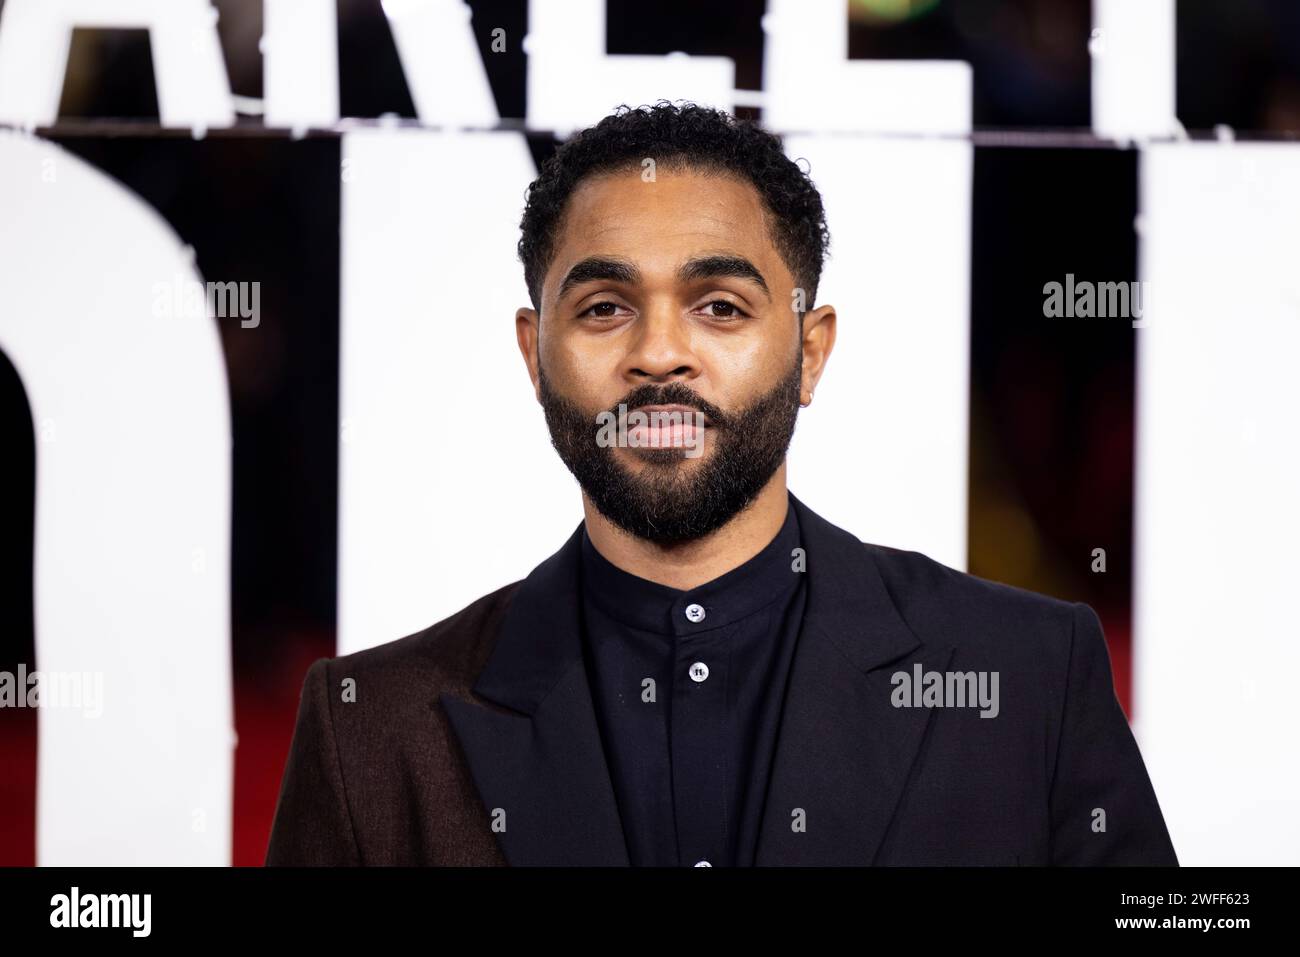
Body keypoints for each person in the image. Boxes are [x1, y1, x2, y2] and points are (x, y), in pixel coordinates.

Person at [265, 101, 1177, 867]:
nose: (660, 352)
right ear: (533, 356)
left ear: (810, 352)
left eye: (720, 307)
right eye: (604, 308)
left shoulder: (1026, 678)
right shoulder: (371, 731)